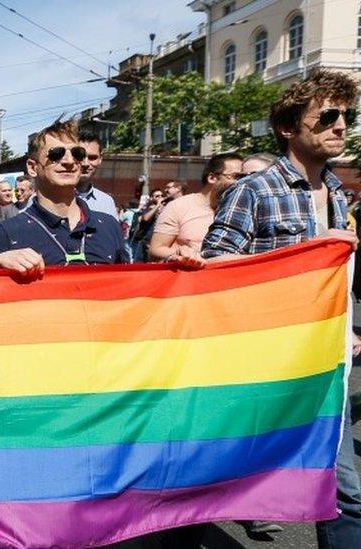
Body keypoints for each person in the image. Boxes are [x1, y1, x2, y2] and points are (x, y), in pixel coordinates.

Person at [201, 69, 361, 549]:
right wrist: (311, 250)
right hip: (268, 363)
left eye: (347, 117)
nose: (341, 125)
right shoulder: (256, 188)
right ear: (289, 127)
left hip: (326, 362)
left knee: (344, 491)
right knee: (216, 471)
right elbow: (215, 265)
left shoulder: (336, 191)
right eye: (327, 116)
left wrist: (345, 325)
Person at [0, 119, 136, 273]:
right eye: (56, 154)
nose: (69, 161)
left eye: (77, 153)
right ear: (32, 168)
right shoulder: (8, 232)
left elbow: (130, 288)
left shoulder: (108, 226)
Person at [148, 153, 244, 263]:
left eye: (245, 177)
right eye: (236, 177)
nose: (242, 182)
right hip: (189, 277)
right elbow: (155, 250)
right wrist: (181, 254)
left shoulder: (243, 210)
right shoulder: (179, 206)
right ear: (212, 178)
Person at [75, 133, 118, 219]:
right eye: (80, 157)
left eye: (92, 157)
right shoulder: (53, 199)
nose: (85, 163)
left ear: (100, 159)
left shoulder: (106, 202)